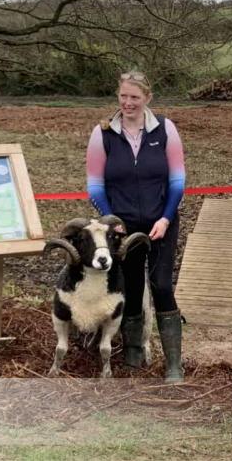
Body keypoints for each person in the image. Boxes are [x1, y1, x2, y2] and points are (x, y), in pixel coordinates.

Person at [86, 70, 187, 382]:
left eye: (134, 97)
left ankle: (174, 364)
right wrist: (111, 221)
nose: (128, 103)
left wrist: (166, 217)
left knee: (161, 285)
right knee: (129, 287)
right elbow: (95, 186)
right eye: (123, 96)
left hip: (161, 223)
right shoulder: (102, 134)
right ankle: (133, 357)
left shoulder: (166, 129)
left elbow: (178, 180)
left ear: (147, 98)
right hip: (122, 230)